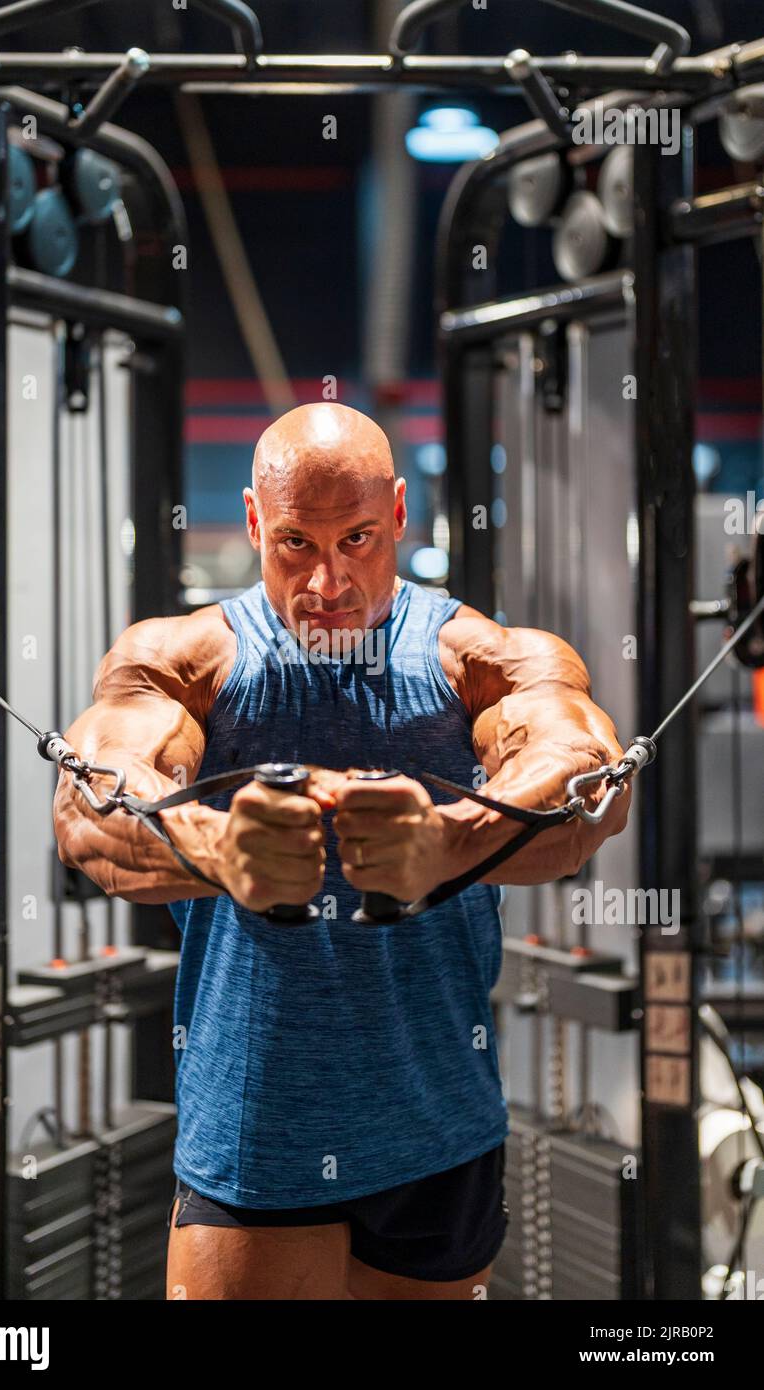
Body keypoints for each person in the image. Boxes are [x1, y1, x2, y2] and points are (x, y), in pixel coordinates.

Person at [53, 402, 629, 1300]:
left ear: (399, 514)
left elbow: (587, 779)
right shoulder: (185, 659)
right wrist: (217, 848)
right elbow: (90, 804)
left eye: (358, 538)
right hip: (257, 1135)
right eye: (294, 544)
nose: (328, 580)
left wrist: (449, 842)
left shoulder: (479, 657)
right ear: (252, 522)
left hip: (439, 1129)